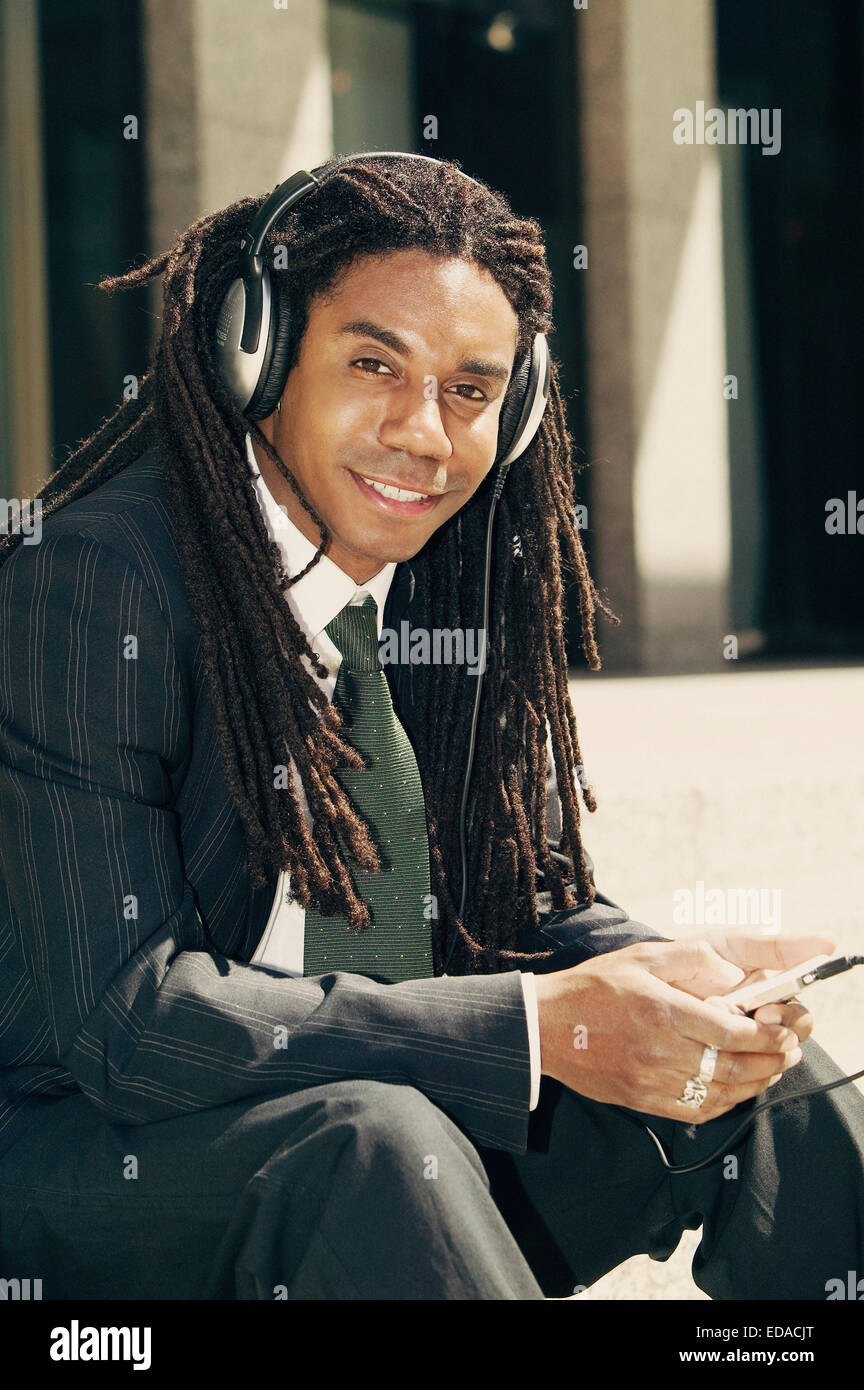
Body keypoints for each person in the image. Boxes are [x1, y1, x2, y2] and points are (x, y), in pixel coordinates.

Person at [0, 152, 859, 1301]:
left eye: (470, 389)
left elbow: (523, 911)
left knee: (754, 1085)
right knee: (375, 1142)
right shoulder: (97, 583)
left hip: (357, 1125)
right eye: (375, 364)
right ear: (258, 355)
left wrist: (672, 991)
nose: (424, 432)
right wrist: (542, 1029)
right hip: (75, 1149)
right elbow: (127, 1024)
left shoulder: (455, 584)